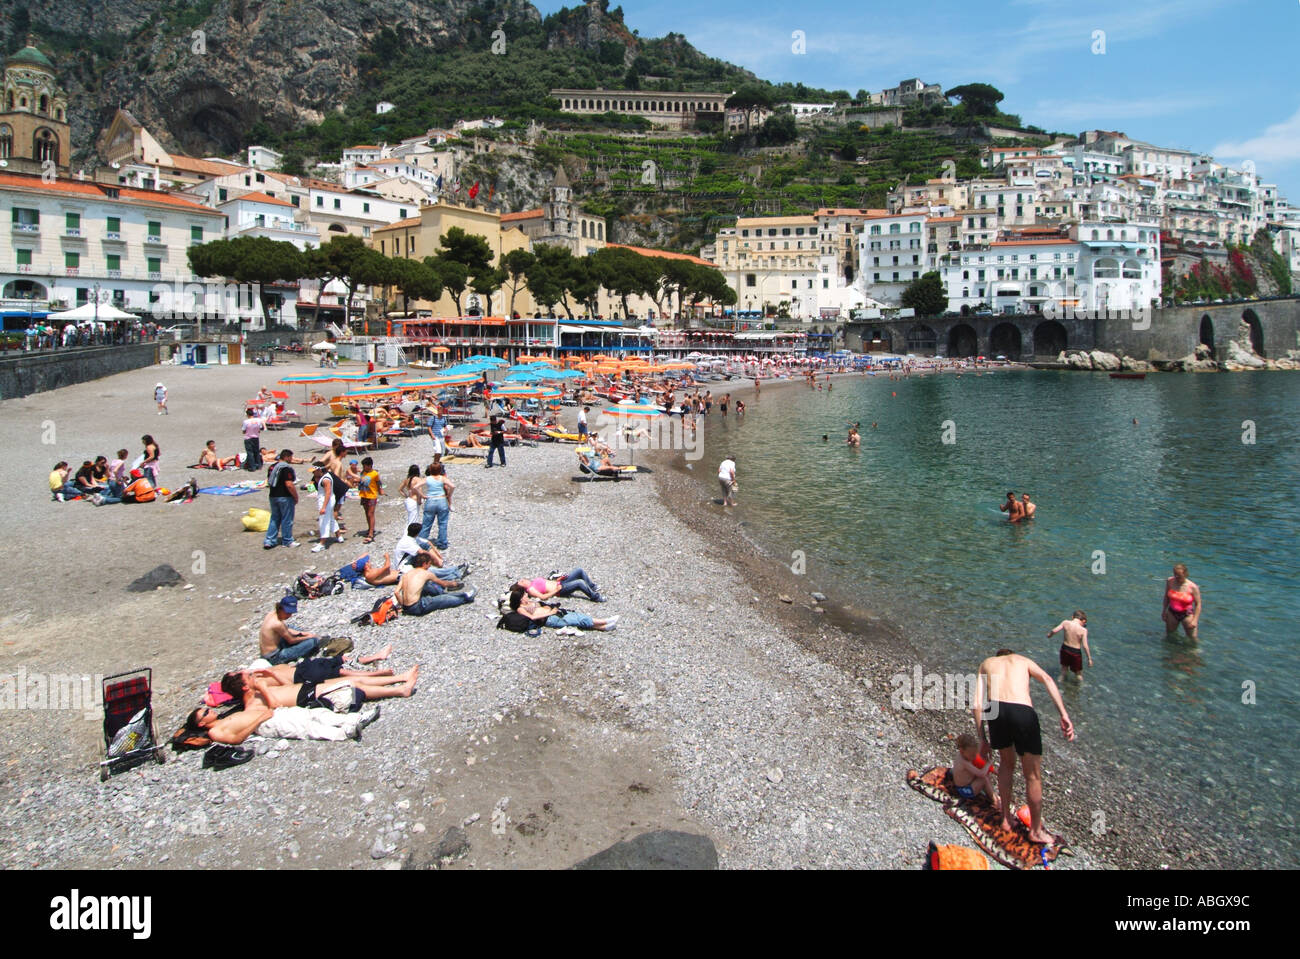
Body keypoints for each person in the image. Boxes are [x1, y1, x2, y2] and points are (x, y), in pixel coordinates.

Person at [972, 649, 1074, 845]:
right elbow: (1048, 680)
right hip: (1021, 711)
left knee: (1006, 764)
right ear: (1011, 655)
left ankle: (1005, 819)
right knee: (1033, 776)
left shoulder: (987, 662)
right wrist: (1063, 714)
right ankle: (1035, 831)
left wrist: (982, 739)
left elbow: (977, 704)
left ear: (998, 656)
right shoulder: (1023, 660)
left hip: (996, 711)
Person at [394, 554, 476, 615]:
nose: (430, 566)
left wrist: (404, 607)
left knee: (426, 586)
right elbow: (443, 583)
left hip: (407, 608)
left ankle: (444, 593)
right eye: (429, 564)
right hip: (418, 607)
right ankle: (466, 597)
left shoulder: (406, 574)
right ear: (424, 564)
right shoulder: (426, 573)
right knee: (442, 600)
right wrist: (453, 584)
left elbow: (396, 592)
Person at [507, 588, 618, 632]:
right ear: (521, 598)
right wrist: (550, 612)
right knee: (576, 620)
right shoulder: (521, 609)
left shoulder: (529, 602)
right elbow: (532, 617)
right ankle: (605, 622)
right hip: (550, 618)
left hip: (552, 614)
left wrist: (549, 608)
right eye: (525, 594)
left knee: (576, 616)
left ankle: (604, 627)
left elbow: (541, 604)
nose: (527, 594)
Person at [258, 595, 319, 665]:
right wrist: (309, 637)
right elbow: (291, 641)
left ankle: (303, 641)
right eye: (287, 613)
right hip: (275, 657)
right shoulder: (277, 624)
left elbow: (287, 629)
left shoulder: (271, 614)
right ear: (281, 608)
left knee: (291, 627)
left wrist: (303, 633)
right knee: (313, 641)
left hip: (270, 651)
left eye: (291, 613)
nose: (289, 616)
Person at [951, 732, 1000, 809]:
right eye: (972, 755)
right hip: (964, 790)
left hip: (966, 785)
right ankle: (995, 801)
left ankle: (991, 793)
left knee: (982, 770)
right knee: (984, 778)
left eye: (975, 754)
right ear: (961, 751)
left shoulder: (963, 756)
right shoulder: (964, 762)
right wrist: (988, 764)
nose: (974, 757)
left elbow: (977, 760)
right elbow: (981, 774)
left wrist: (993, 770)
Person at [263, 449, 300, 549]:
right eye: (291, 457)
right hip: (284, 497)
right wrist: (296, 497)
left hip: (273, 496)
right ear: (287, 457)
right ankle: (287, 540)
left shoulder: (271, 467)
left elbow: (270, 481)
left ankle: (269, 540)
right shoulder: (285, 468)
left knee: (274, 518)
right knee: (287, 519)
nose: (291, 459)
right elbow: (289, 484)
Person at [418, 463, 453, 551]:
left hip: (431, 500)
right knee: (443, 523)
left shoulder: (427, 478)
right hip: (441, 500)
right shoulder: (443, 478)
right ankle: (442, 543)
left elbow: (415, 487)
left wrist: (422, 495)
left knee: (426, 523)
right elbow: (452, 486)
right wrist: (449, 495)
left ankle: (422, 542)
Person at [1162, 563, 1202, 640]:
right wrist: (1164, 611)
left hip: (1187, 614)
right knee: (1170, 635)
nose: (1176, 577)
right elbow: (1166, 597)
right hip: (1172, 613)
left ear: (1185, 574)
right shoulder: (1170, 581)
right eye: (1175, 574)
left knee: (1192, 638)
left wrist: (1195, 620)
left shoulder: (1193, 587)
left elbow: (1198, 604)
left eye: (1179, 575)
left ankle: (1193, 651)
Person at [1049, 610, 1091, 682]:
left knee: (1064, 669)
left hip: (1065, 648)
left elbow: (1054, 630)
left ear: (1072, 617)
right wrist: (1089, 658)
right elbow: (1085, 646)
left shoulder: (1065, 622)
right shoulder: (1083, 630)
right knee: (1078, 673)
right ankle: (1080, 687)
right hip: (1075, 652)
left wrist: (1049, 635)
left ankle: (1059, 683)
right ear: (1083, 620)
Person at [516, 569, 604, 603]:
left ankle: (592, 587)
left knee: (579, 571)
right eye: (521, 582)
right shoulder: (531, 589)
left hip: (559, 583)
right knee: (579, 583)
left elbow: (547, 583)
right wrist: (555, 590)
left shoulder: (533, 582)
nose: (523, 580)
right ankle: (595, 597)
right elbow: (542, 596)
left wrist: (558, 580)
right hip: (560, 590)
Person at [311, 465, 339, 552]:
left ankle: (322, 543)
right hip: (328, 501)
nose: (313, 473)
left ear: (319, 470)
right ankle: (339, 536)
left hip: (326, 502)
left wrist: (323, 507)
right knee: (331, 519)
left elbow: (328, 493)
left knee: (324, 521)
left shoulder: (325, 479)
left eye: (314, 471)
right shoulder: (324, 477)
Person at [357, 456, 383, 543]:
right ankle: (370, 528)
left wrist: (380, 491)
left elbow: (378, 483)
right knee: (366, 513)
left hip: (372, 495)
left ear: (370, 465)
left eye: (365, 466)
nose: (364, 468)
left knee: (370, 513)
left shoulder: (375, 474)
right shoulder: (363, 472)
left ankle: (371, 534)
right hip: (364, 494)